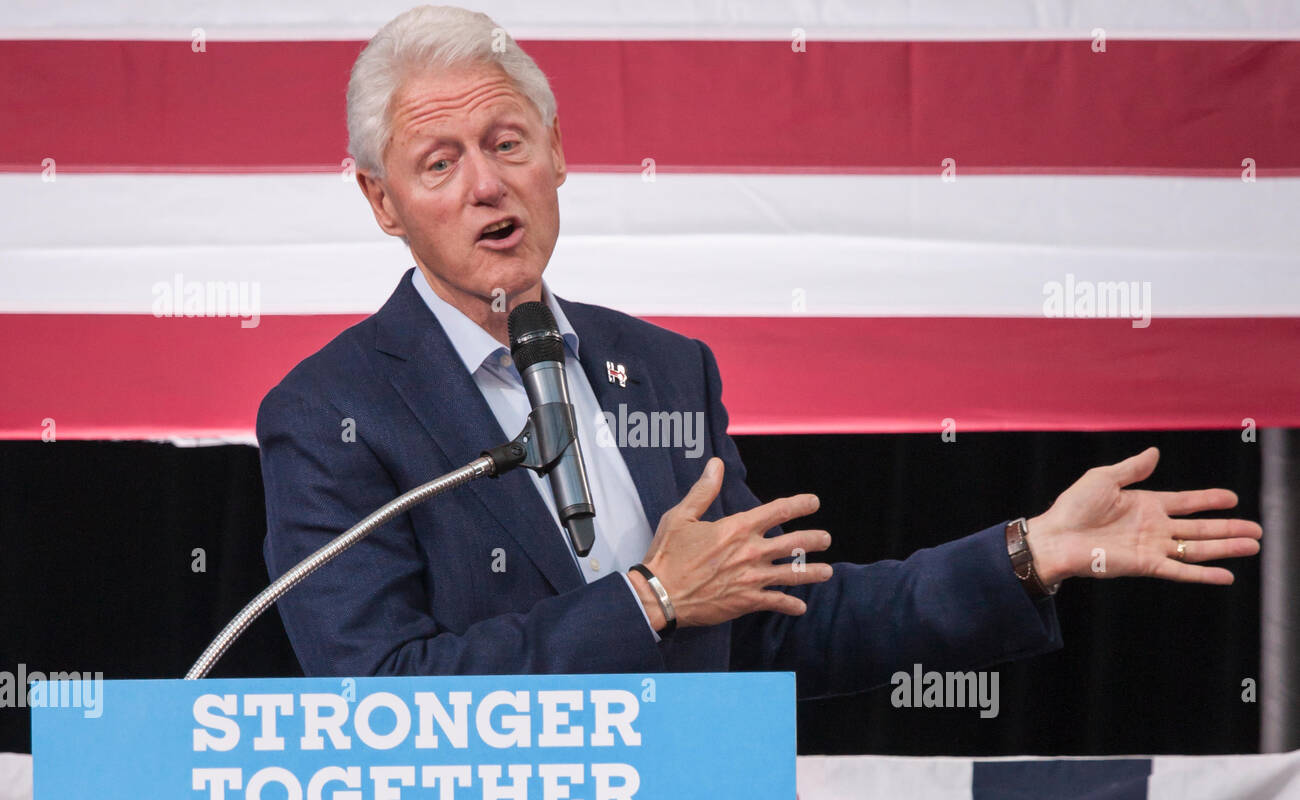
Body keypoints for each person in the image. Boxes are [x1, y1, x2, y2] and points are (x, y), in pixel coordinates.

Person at [256, 5, 1262, 690]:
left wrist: (1024, 553)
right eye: (439, 162)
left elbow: (775, 625)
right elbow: (378, 691)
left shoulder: (661, 370)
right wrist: (648, 599)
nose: (485, 184)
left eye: (507, 142)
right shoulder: (332, 412)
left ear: (557, 151)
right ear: (382, 201)